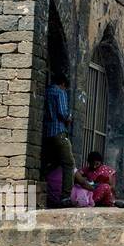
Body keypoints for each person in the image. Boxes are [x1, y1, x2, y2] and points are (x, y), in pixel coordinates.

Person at [43, 73, 76, 205]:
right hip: (59, 132)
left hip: (46, 133)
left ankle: (44, 191)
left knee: (49, 163)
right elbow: (62, 113)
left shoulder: (46, 91)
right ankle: (65, 196)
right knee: (68, 163)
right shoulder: (60, 92)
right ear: (63, 84)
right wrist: (69, 117)